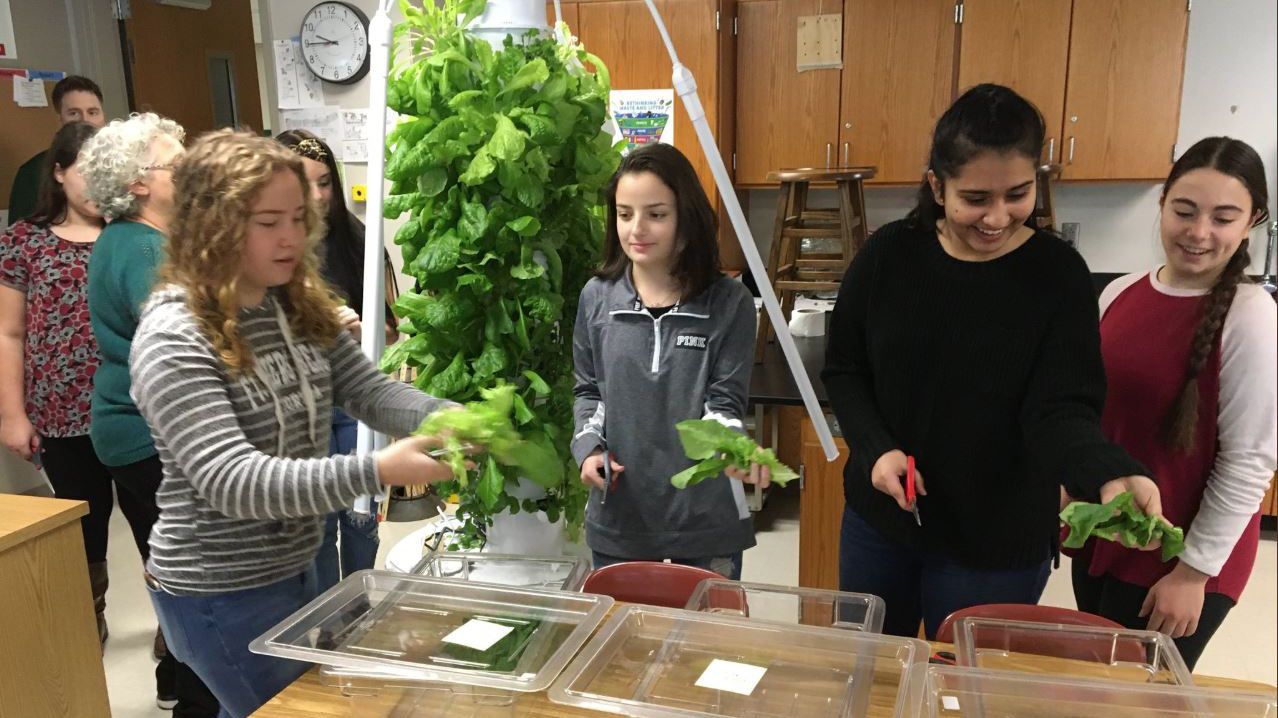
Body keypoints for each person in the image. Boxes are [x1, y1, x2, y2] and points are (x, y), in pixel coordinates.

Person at [132, 129, 459, 718]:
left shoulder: (289, 300)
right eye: (267, 222)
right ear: (214, 226)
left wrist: (449, 417)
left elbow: (367, 390)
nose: (291, 238)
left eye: (297, 218)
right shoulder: (174, 337)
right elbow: (231, 479)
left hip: (294, 566)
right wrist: (377, 467)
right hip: (219, 589)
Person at [820, 83, 1163, 639]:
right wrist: (876, 449)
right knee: (873, 671)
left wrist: (1105, 470)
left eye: (1018, 194)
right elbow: (845, 369)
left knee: (967, 686)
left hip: (997, 538)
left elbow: (1062, 407)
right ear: (937, 184)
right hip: (881, 523)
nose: (998, 217)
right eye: (975, 198)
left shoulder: (1057, 275)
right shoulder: (888, 255)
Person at [1070, 137, 1276, 670]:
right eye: (1185, 210)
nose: (1199, 232)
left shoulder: (1252, 318)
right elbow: (1092, 416)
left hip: (1180, 565)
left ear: (1252, 219)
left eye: (1223, 217)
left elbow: (1249, 463)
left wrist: (1193, 574)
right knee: (1097, 690)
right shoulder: (1120, 293)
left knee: (1140, 703)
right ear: (1162, 203)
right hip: (1107, 542)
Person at [571, 143, 767, 581]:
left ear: (685, 218)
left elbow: (724, 401)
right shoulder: (596, 298)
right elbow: (588, 392)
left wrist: (730, 447)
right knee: (624, 644)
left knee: (703, 645)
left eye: (656, 214)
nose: (636, 229)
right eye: (624, 214)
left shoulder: (728, 302)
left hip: (706, 522)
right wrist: (588, 451)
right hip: (621, 516)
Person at [79, 112, 218, 715]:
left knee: (170, 568)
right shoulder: (142, 246)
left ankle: (180, 680)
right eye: (174, 162)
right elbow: (184, 337)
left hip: (124, 426)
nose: (187, 168)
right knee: (203, 576)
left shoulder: (125, 238)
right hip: (149, 431)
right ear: (138, 183)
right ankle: (199, 697)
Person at [0, 122, 110, 641]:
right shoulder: (24, 240)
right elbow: (9, 332)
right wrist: (13, 415)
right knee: (82, 530)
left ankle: (172, 631)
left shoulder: (131, 234)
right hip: (61, 415)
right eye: (86, 170)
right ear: (60, 172)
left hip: (134, 411)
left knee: (159, 522)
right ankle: (89, 617)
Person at [275, 129, 397, 590]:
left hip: (351, 397)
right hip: (299, 402)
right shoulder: (271, 250)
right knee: (320, 518)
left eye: (325, 181)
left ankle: (360, 601)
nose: (318, 194)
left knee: (362, 512)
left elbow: (389, 330)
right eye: (304, 183)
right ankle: (328, 614)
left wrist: (357, 331)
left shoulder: (357, 239)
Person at [7, 75, 106, 225]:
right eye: (74, 113)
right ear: (59, 118)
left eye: (93, 112)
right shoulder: (33, 171)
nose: (85, 120)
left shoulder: (123, 164)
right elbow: (21, 233)